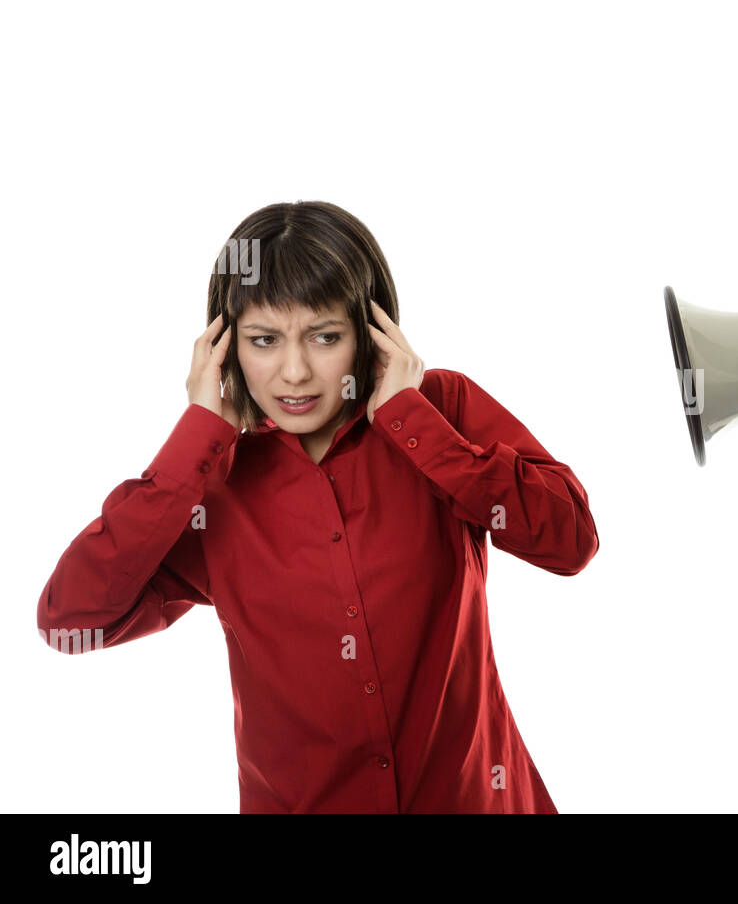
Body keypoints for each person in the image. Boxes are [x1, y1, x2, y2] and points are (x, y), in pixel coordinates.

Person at [37, 200, 599, 812]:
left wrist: (416, 427)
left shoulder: (440, 409)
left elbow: (570, 542)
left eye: (325, 336)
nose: (295, 372)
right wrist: (196, 436)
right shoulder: (213, 488)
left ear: (372, 331)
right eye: (263, 340)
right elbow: (70, 620)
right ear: (222, 349)